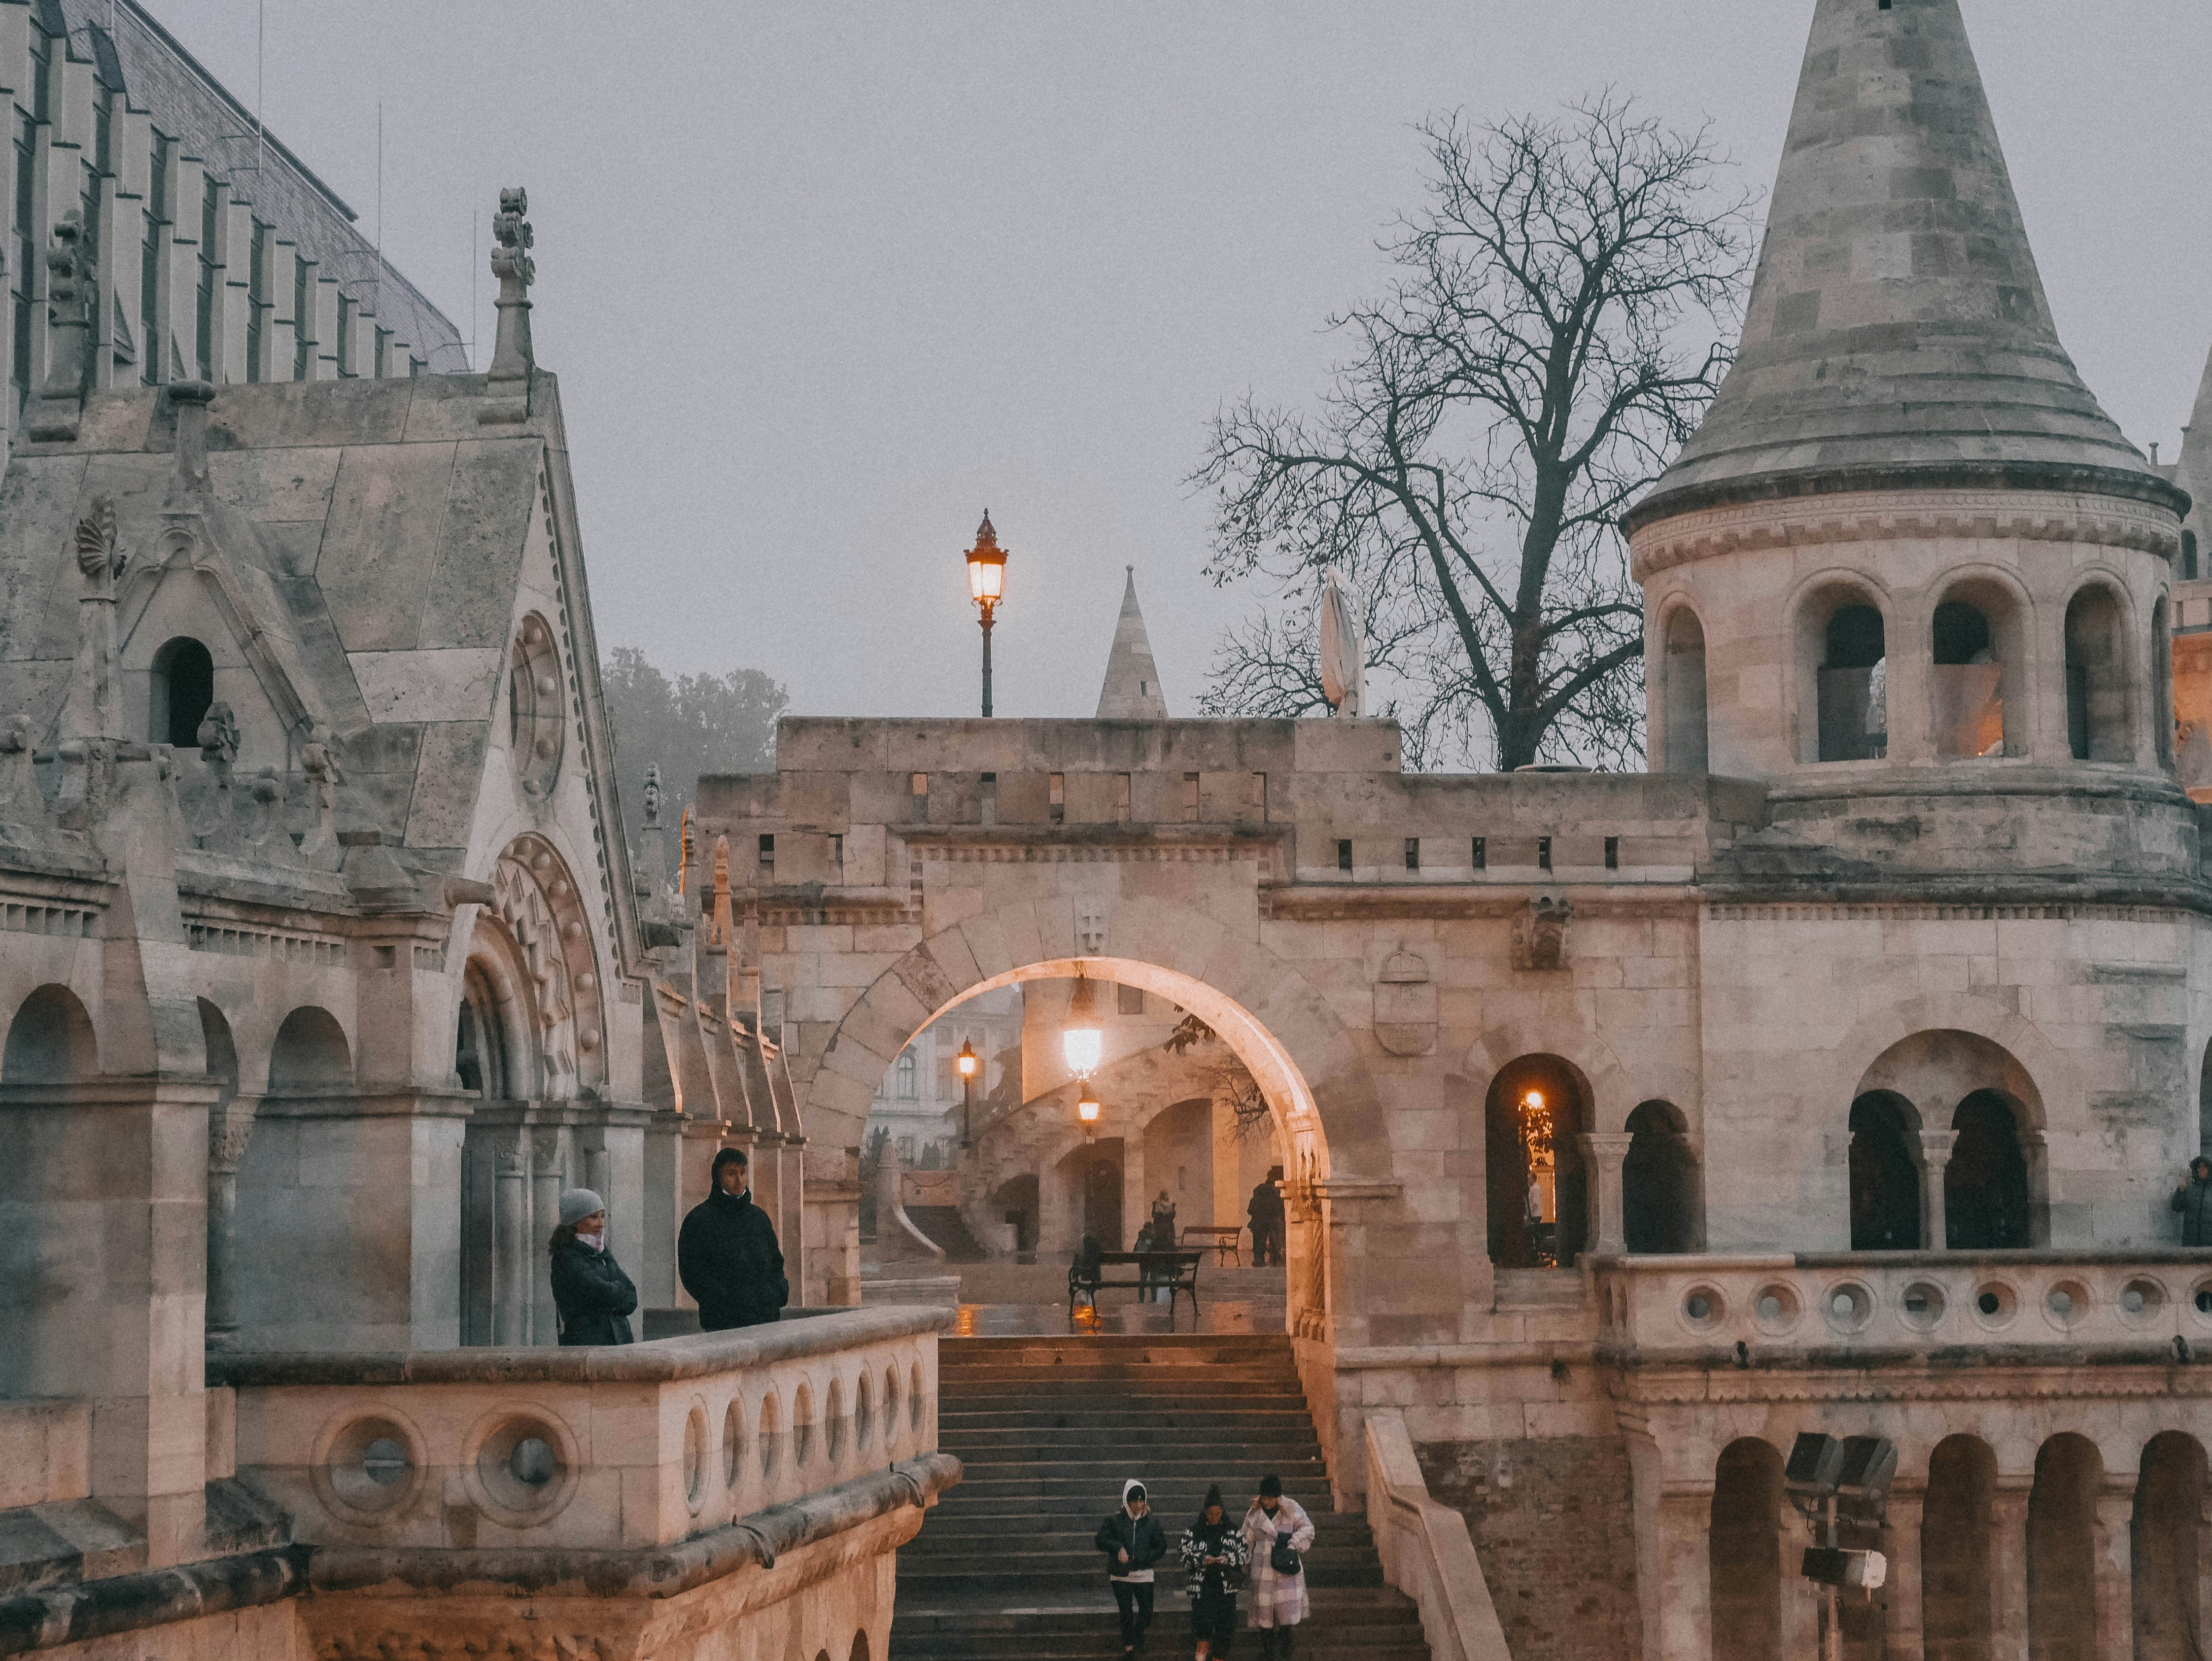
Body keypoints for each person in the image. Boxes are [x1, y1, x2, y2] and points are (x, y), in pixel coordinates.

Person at [678, 1146, 788, 1331]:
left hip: (766, 1320)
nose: (739, 1181)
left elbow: (776, 1262)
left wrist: (776, 1293)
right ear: (718, 1177)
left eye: (743, 1173)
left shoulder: (758, 1218)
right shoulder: (699, 1220)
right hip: (722, 1324)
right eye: (731, 1174)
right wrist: (724, 1301)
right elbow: (692, 1273)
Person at [548, 1188, 636, 1346]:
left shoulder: (602, 1252)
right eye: (594, 1217)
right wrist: (617, 1293)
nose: (601, 1224)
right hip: (588, 1343)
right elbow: (598, 1293)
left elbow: (632, 1296)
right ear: (576, 1221)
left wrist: (612, 1296)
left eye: (603, 1216)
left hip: (620, 1342)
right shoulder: (567, 1256)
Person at [1241, 1473, 1313, 1658]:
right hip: (1262, 1568)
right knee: (1264, 1616)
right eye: (1264, 1498)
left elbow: (1308, 1528)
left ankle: (1285, 1651)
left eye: (1271, 1499)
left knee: (1286, 1617)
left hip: (1286, 1568)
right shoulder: (1253, 1514)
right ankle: (1268, 1653)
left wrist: (1292, 1542)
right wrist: (1244, 1562)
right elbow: (1246, 1539)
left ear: (1278, 1497)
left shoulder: (1290, 1508)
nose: (1267, 1502)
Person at [1095, 1477, 1168, 1656]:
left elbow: (1161, 1547)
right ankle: (1129, 1649)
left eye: (1142, 1500)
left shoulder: (1152, 1523)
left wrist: (1146, 1558)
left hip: (1144, 1574)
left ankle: (1136, 1636)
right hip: (1121, 1575)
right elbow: (1100, 1540)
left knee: (1147, 1613)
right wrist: (1118, 1548)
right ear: (1127, 1501)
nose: (1138, 1504)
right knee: (1126, 1613)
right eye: (1134, 1500)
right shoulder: (1114, 1521)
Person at [1179, 1483, 1250, 1660]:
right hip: (1203, 1589)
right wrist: (1202, 1559)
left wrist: (1228, 1559)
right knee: (1202, 1630)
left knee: (1225, 1630)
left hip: (1226, 1589)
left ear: (1223, 1512)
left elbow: (1245, 1554)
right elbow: (1183, 1554)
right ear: (1205, 1512)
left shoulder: (1234, 1531)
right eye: (1211, 1514)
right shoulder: (1193, 1531)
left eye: (1218, 1514)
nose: (1214, 1517)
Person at [2174, 1156, 2212, 1246]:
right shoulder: (2190, 1188)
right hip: (2191, 1243)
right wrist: (2181, 1190)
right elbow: (2177, 1207)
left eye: (2205, 1167)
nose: (2202, 1170)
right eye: (2199, 1167)